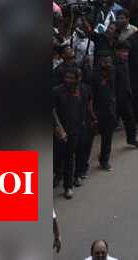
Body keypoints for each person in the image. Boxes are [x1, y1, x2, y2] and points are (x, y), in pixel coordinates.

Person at [53, 66, 90, 199]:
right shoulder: (57, 91)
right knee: (57, 156)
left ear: (77, 79)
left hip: (76, 129)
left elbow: (85, 107)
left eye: (71, 78)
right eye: (66, 77)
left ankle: (68, 186)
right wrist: (59, 128)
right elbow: (52, 111)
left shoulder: (82, 91)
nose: (67, 80)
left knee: (70, 157)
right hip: (59, 130)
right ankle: (58, 175)